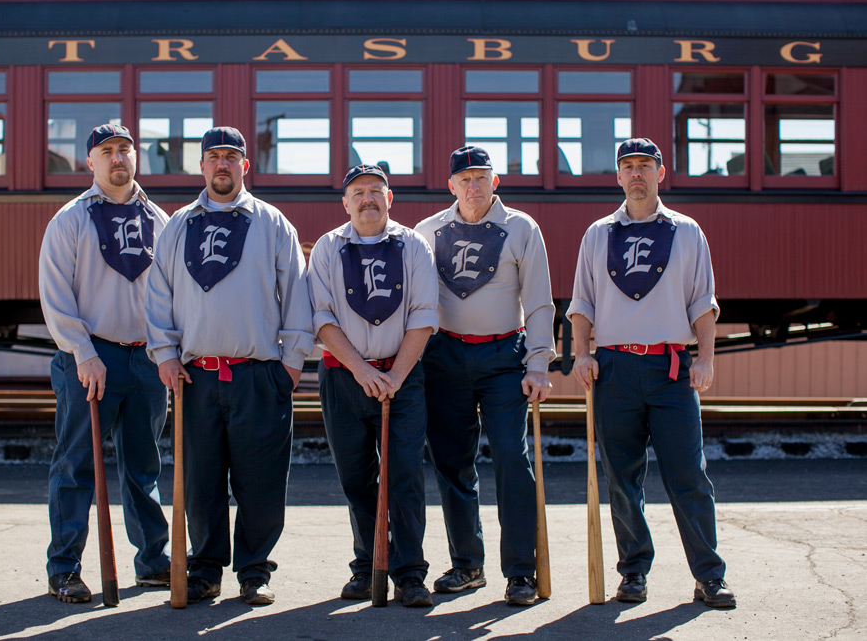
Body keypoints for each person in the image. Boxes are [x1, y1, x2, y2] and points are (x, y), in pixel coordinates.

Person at [144, 126, 313, 606]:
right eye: (213, 156)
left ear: (245, 165)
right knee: (200, 481)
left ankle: (254, 571)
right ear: (202, 166)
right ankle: (206, 570)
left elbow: (296, 296)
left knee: (260, 482)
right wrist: (165, 353)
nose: (222, 164)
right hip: (197, 376)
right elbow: (159, 297)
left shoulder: (273, 223)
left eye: (231, 157)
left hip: (258, 374)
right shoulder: (178, 225)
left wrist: (291, 365)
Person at [567, 138, 735, 608]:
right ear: (618, 177)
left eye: (645, 165)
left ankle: (709, 576)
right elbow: (583, 303)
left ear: (662, 173)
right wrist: (582, 354)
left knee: (689, 475)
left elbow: (703, 301)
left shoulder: (687, 232)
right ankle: (633, 572)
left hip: (671, 366)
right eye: (628, 167)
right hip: (615, 366)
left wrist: (706, 357)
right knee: (622, 477)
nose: (636, 174)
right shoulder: (597, 234)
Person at [414, 146, 556, 606]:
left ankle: (520, 572)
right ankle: (467, 566)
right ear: (450, 185)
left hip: (503, 356)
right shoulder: (427, 232)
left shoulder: (522, 228)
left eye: (481, 177)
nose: (472, 186)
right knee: (452, 462)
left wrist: (538, 363)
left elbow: (538, 301)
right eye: (464, 179)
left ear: (495, 182)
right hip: (445, 355)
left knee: (512, 461)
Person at [39, 123, 171, 603]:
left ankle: (153, 562)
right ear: (90, 162)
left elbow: (169, 299)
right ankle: (65, 569)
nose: (118, 159)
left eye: (125, 150)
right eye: (107, 151)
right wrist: (84, 353)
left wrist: (166, 355)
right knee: (76, 465)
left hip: (145, 359)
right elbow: (56, 297)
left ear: (136, 159)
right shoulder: (70, 220)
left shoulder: (161, 220)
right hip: (91, 358)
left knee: (143, 467)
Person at [307, 164, 439, 607]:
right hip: (345, 377)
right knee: (356, 477)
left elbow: (423, 315)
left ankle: (408, 572)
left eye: (375, 191)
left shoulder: (414, 245)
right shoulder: (327, 247)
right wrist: (363, 372)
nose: (368, 198)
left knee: (403, 476)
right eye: (358, 192)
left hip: (402, 377)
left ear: (390, 198)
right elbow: (321, 318)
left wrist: (396, 376)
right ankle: (366, 565)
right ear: (345, 203)